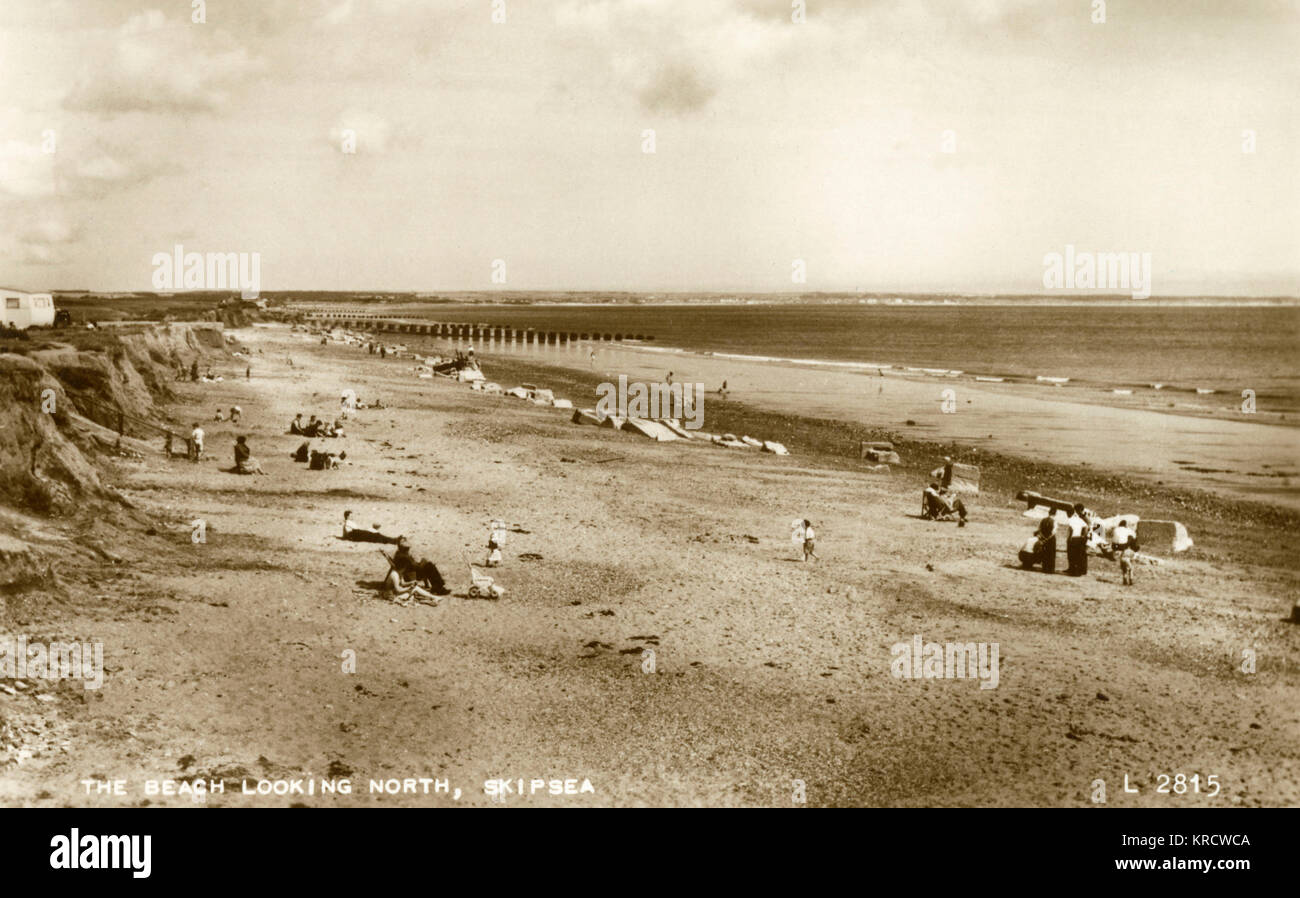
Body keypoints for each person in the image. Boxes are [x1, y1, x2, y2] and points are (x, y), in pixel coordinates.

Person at [1065, 503, 1089, 576]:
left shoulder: (1084, 517)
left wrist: (1084, 536)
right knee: (1078, 555)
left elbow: (1087, 527)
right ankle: (1074, 569)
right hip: (1081, 538)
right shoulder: (1080, 516)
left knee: (1079, 555)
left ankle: (1080, 570)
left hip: (1080, 538)